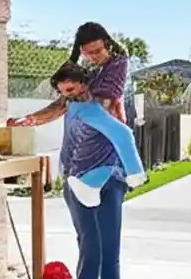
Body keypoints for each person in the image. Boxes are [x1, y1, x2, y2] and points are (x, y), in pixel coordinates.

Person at [9, 22, 150, 279]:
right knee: (92, 251)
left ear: (108, 45)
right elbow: (68, 104)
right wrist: (32, 119)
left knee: (109, 254)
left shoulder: (113, 69)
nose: (94, 57)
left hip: (111, 176)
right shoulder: (80, 93)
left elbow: (110, 115)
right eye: (87, 54)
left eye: (97, 51)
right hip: (79, 179)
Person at [47, 62, 146, 207]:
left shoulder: (89, 110)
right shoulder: (73, 106)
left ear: (83, 85)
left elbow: (123, 134)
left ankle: (95, 183)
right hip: (75, 176)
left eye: (70, 89)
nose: (66, 95)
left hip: (93, 176)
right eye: (61, 92)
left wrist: (134, 172)